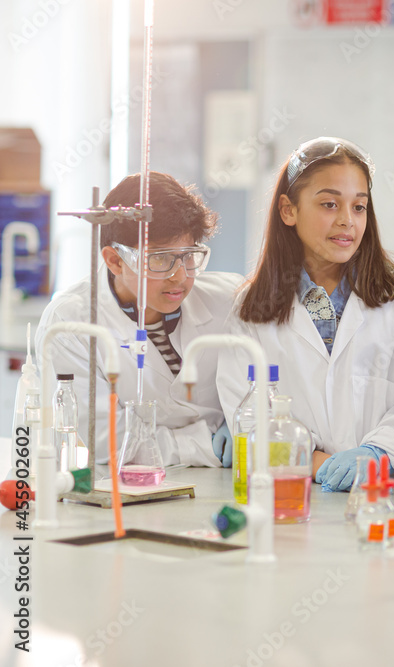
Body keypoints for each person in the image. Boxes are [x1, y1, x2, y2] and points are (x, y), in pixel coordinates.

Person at [217, 137, 394, 491]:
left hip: (382, 496)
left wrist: (380, 452)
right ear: (288, 210)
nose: (347, 221)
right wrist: (319, 463)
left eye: (359, 207)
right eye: (330, 204)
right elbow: (250, 417)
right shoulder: (250, 311)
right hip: (294, 498)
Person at [36, 172, 242, 467]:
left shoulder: (230, 299)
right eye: (159, 259)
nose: (180, 276)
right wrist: (206, 443)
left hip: (225, 486)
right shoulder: (71, 323)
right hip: (127, 493)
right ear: (115, 260)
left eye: (188, 256)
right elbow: (102, 441)